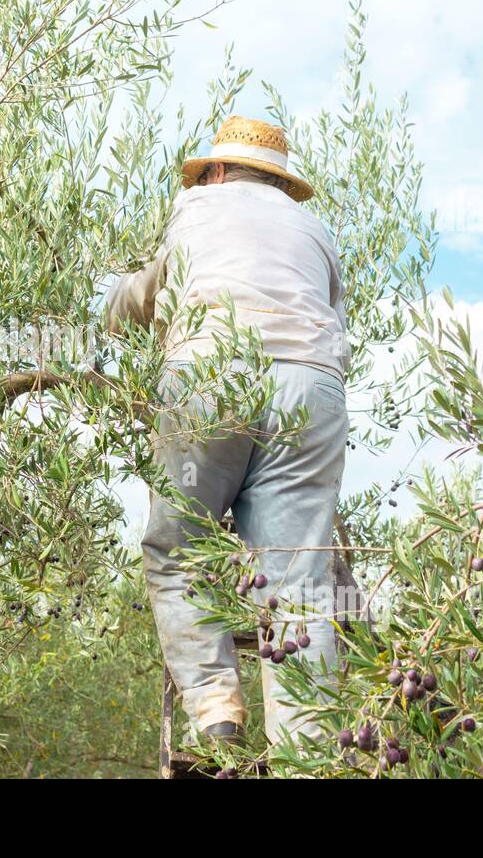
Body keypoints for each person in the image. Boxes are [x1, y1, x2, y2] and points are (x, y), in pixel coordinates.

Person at [106, 114, 350, 751]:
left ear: (214, 171)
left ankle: (216, 707)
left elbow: (145, 295)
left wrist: (110, 311)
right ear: (278, 182)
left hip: (211, 379)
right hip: (311, 392)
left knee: (175, 549)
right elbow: (330, 317)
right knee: (299, 582)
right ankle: (308, 755)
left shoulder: (197, 207)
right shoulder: (316, 230)